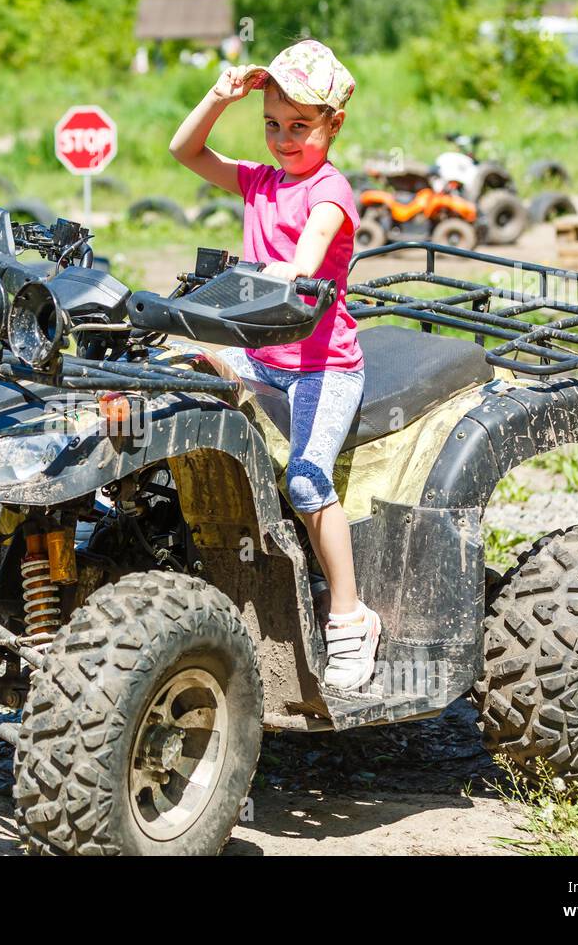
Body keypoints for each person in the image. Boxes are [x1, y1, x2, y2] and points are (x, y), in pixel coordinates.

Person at [168, 39, 380, 691]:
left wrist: (272, 279)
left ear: (332, 125)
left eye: (299, 127)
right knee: (165, 369)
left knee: (310, 485)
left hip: (323, 367)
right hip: (258, 354)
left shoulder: (330, 190)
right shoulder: (260, 181)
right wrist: (218, 96)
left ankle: (349, 617)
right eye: (271, 125)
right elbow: (185, 151)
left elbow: (306, 257)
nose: (284, 140)